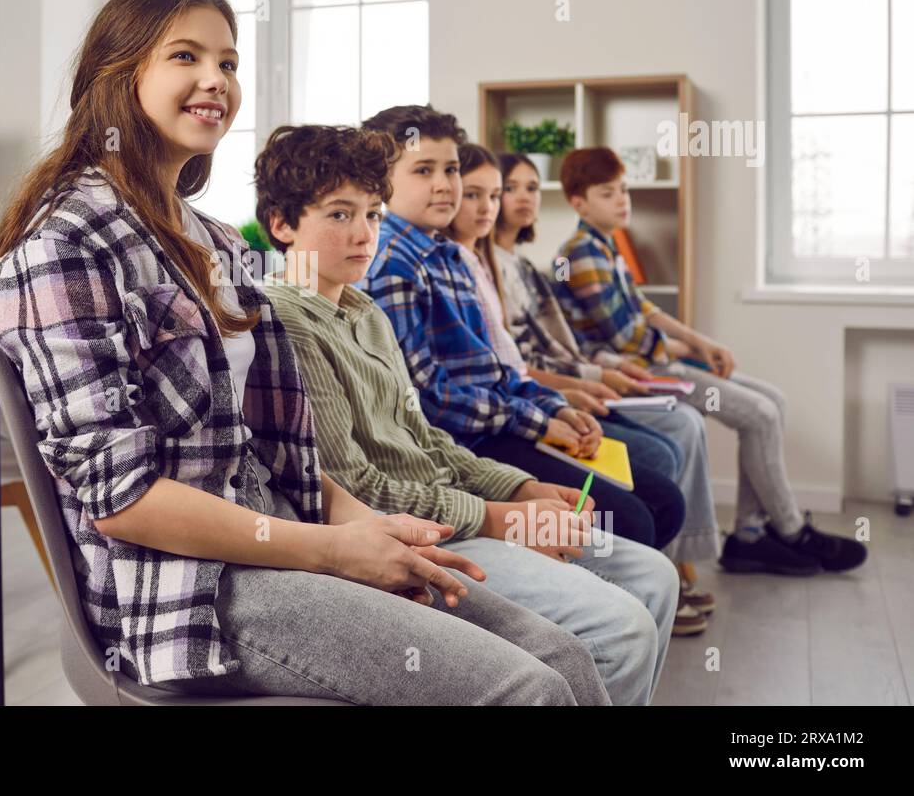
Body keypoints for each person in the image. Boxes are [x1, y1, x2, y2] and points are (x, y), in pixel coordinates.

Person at [0, 0, 607, 704]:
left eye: (229, 63)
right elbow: (122, 498)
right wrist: (333, 549)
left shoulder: (208, 239)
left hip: (289, 536)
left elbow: (270, 449)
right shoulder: (66, 244)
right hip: (194, 589)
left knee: (562, 653)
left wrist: (373, 530)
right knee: (529, 688)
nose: (216, 80)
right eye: (186, 56)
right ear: (120, 75)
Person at [256, 122, 679, 703]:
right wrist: (494, 516)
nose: (362, 233)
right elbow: (355, 488)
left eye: (373, 214)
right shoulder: (286, 320)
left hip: (455, 505)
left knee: (656, 576)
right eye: (338, 215)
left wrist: (521, 486)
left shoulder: (364, 309)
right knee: (621, 627)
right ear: (281, 225)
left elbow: (425, 438)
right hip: (414, 535)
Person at [356, 103, 686, 552]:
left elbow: (496, 366)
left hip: (500, 422)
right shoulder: (394, 263)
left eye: (450, 169)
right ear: (382, 179)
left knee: (663, 501)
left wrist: (553, 407)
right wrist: (535, 422)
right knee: (633, 520)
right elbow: (426, 396)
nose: (443, 185)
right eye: (423, 170)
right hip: (468, 440)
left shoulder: (447, 255)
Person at [552, 146, 866, 575]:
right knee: (758, 413)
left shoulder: (605, 246)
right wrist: (687, 350)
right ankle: (788, 531)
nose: (622, 199)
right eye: (607, 193)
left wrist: (698, 341)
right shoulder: (579, 254)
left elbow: (643, 310)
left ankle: (752, 534)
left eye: (624, 190)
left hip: (654, 361)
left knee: (773, 401)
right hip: (635, 372)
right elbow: (626, 337)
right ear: (578, 202)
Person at [492, 150, 721, 631]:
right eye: (507, 189)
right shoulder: (562, 256)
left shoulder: (534, 267)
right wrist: (589, 381)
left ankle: (676, 571)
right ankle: (662, 580)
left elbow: (573, 342)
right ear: (578, 201)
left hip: (587, 378)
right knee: (671, 440)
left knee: (683, 429)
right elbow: (535, 358)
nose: (522, 198)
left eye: (532, 187)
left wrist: (599, 375)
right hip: (557, 391)